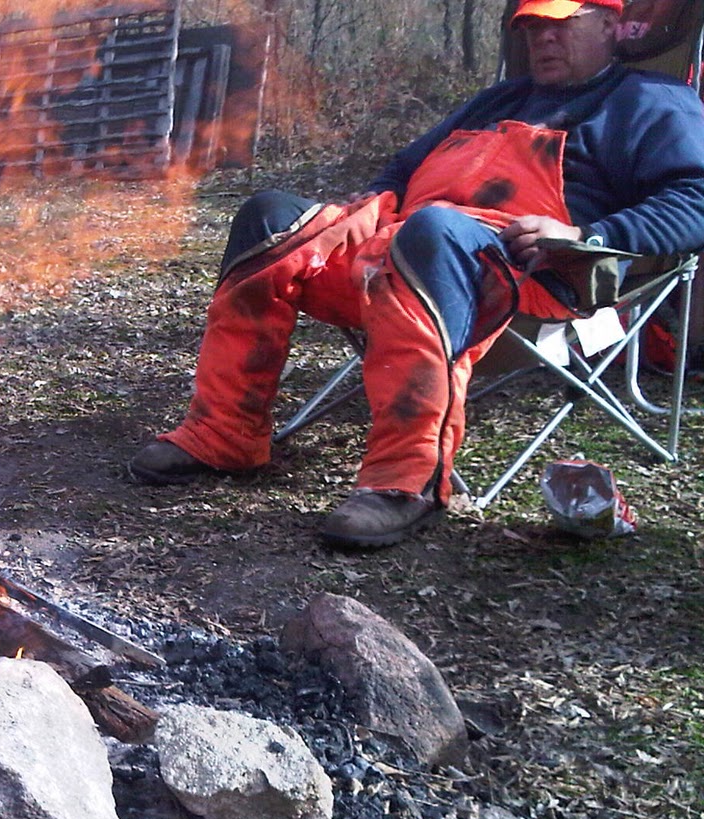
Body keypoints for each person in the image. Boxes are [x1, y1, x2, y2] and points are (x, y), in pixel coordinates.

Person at [128, 0, 704, 548]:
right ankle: (225, 433)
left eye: (561, 25)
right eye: (531, 29)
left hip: (523, 280)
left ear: (610, 25)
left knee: (434, 228)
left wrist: (587, 237)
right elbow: (405, 168)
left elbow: (694, 199)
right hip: (394, 259)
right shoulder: (496, 99)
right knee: (271, 217)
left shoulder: (651, 102)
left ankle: (404, 480)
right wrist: (373, 200)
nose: (542, 39)